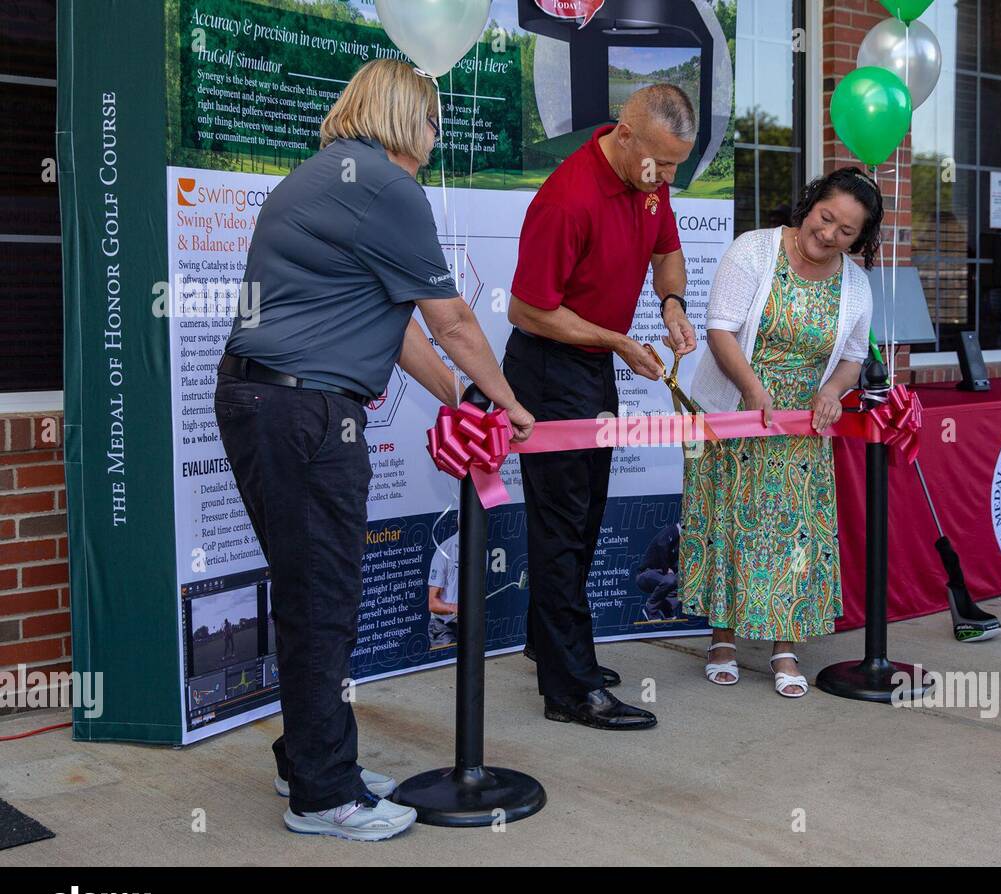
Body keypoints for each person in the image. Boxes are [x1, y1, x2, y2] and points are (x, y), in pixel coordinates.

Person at [214, 59, 534, 840]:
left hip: (266, 402)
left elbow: (396, 329)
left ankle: (315, 760)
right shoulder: (387, 187)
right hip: (305, 413)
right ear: (402, 116)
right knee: (321, 601)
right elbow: (453, 320)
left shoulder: (326, 177)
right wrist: (510, 402)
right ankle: (324, 797)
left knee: (307, 591)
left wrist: (461, 398)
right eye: (432, 120)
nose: (436, 135)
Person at [506, 84, 698, 730]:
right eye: (662, 165)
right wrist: (616, 340)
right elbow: (526, 309)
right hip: (548, 366)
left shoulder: (650, 180)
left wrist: (670, 303)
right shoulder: (568, 198)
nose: (667, 179)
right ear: (625, 132)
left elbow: (667, 252)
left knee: (583, 519)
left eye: (675, 167)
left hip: (592, 366)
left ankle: (551, 649)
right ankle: (571, 689)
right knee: (561, 527)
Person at [680, 167, 884, 697]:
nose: (830, 235)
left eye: (846, 231)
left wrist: (832, 392)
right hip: (735, 412)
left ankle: (784, 644)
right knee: (727, 522)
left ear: (860, 239)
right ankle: (722, 638)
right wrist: (751, 390)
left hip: (800, 426)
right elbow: (720, 328)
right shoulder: (753, 251)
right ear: (810, 204)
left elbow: (853, 357)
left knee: (792, 530)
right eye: (826, 218)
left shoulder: (856, 284)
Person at [636, 522, 681, 620]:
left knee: (685, 583)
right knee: (671, 580)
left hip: (661, 575)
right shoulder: (672, 530)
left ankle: (665, 608)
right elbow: (661, 544)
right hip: (646, 574)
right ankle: (650, 608)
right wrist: (667, 569)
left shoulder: (683, 540)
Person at [427, 533, 459, 651]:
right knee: (449, 666)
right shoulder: (445, 550)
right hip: (443, 627)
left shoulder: (482, 551)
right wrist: (455, 608)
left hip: (470, 624)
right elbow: (432, 603)